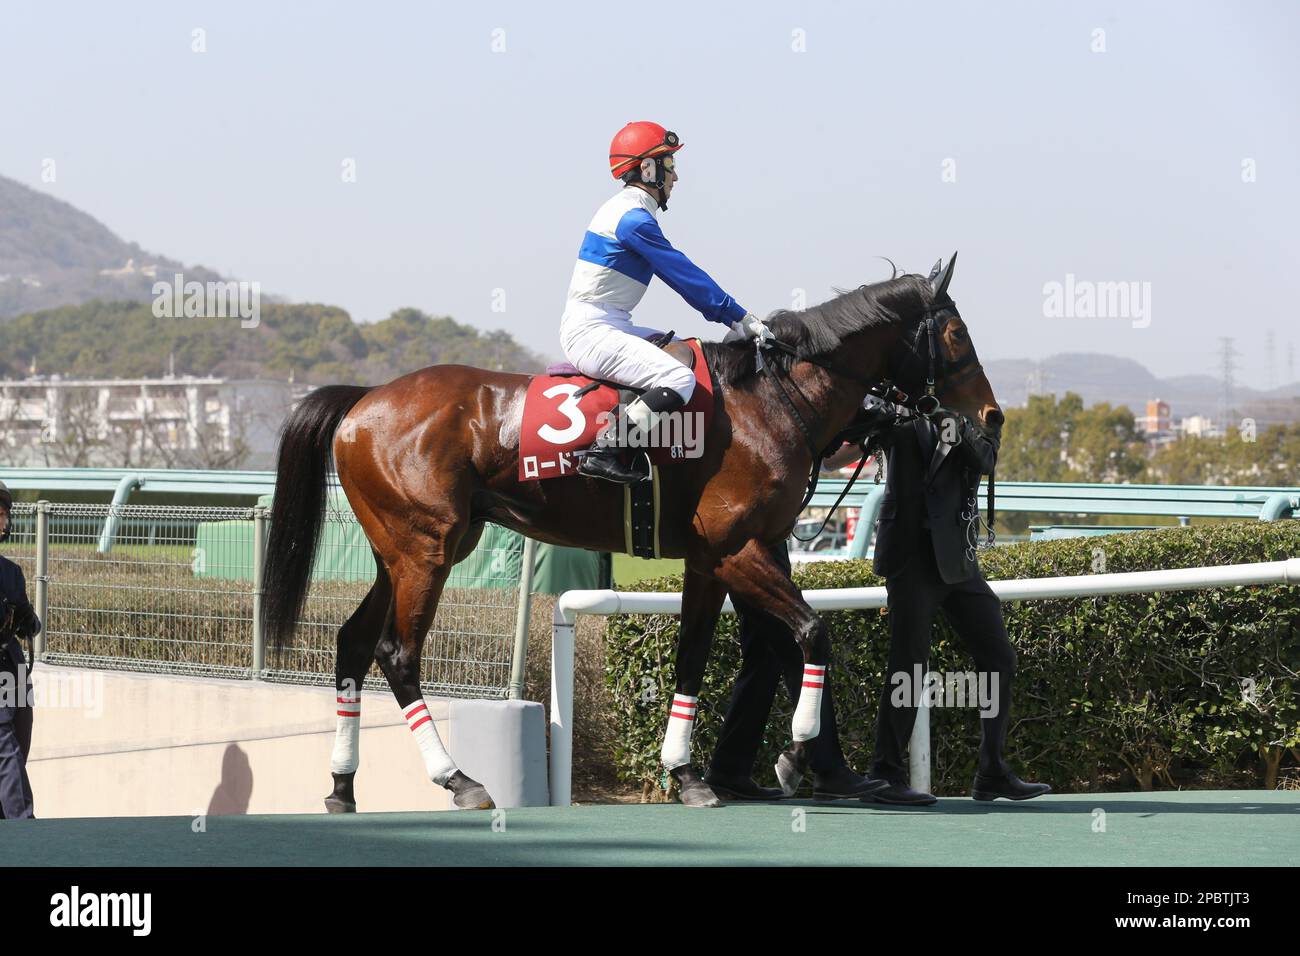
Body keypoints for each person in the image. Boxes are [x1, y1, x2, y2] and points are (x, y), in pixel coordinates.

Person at [563, 121, 773, 483]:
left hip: (609, 324)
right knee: (678, 378)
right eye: (670, 167)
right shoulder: (632, 220)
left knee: (688, 352)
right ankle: (609, 448)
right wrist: (740, 319)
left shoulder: (629, 211)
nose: (675, 177)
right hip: (592, 331)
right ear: (647, 168)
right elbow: (684, 276)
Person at [864, 402, 1051, 805]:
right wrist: (880, 412)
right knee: (908, 666)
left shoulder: (979, 410)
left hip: (958, 560)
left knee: (998, 656)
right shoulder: (896, 407)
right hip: (909, 559)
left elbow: (984, 458)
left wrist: (946, 417)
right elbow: (854, 443)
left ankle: (992, 772)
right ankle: (884, 774)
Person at [0, 479, 40, 819]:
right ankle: (21, 824)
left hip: (12, 665)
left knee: (20, 739)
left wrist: (28, 621)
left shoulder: (12, 572)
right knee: (5, 747)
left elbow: (28, 618)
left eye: (1, 514)